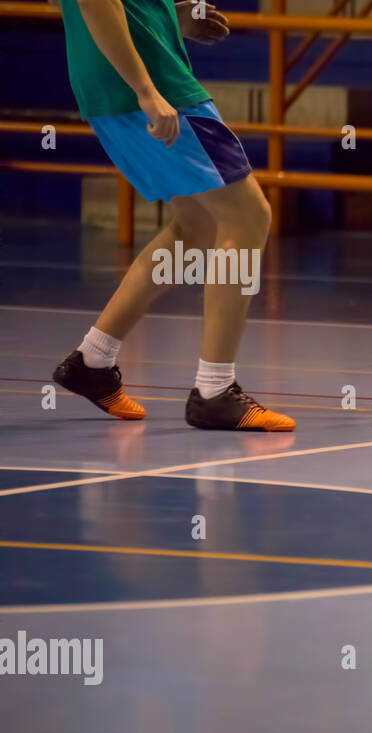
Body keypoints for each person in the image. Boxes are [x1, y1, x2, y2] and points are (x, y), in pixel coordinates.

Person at [51, 0, 293, 431]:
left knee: (196, 226)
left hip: (110, 85)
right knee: (247, 217)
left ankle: (94, 359)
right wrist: (145, 89)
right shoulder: (144, 85)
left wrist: (164, 17)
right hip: (147, 84)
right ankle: (215, 391)